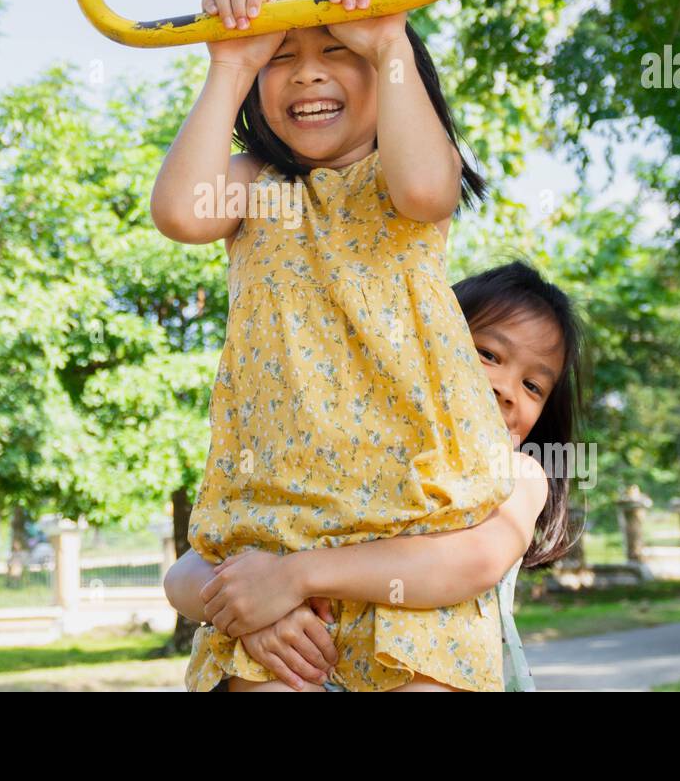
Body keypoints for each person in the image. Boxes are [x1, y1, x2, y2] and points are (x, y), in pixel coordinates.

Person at [151, 0, 517, 691]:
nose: (308, 72)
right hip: (274, 530)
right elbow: (180, 211)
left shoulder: (397, 177)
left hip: (409, 530)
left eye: (336, 50)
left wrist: (389, 43)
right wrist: (228, 63)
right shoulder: (256, 186)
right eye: (280, 57)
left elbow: (427, 185)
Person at [165, 260, 588, 693]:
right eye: (487, 354)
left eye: (533, 386)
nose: (507, 389)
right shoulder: (346, 451)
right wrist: (251, 608)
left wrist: (294, 577)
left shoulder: (518, 474)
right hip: (301, 659)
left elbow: (476, 559)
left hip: (419, 668)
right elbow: (183, 574)